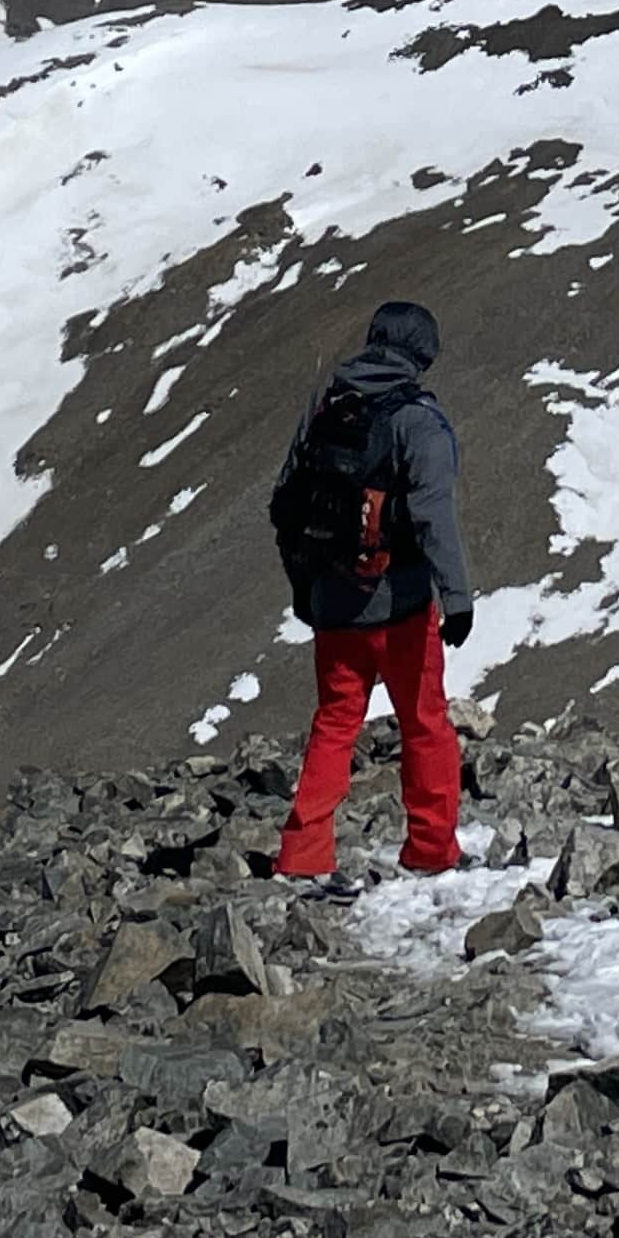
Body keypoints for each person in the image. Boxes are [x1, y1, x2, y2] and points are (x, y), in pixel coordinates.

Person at [267, 298, 473, 891]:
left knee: (335, 724)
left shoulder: (329, 404)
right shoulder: (418, 419)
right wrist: (455, 597)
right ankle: (432, 849)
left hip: (334, 602)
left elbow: (286, 504)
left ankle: (304, 855)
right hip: (401, 605)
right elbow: (434, 513)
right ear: (423, 354)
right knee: (424, 723)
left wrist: (307, 590)